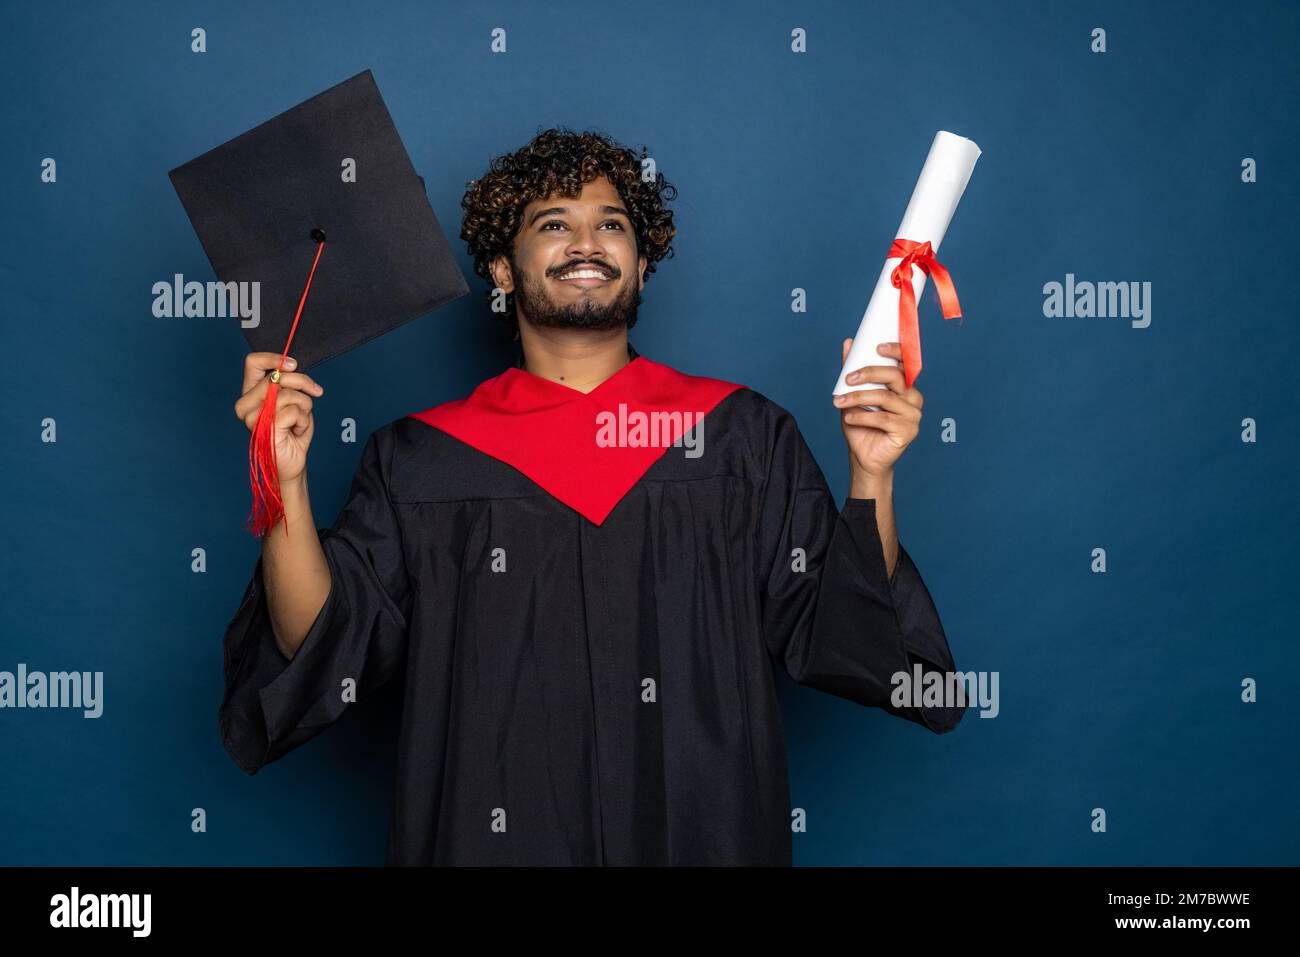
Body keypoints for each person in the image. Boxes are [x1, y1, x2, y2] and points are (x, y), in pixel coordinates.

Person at [222, 128, 965, 865]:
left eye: (611, 224)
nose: (587, 241)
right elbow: (316, 643)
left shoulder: (739, 437)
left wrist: (872, 476)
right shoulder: (419, 460)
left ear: (641, 266)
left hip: (699, 835)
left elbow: (846, 630)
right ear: (501, 271)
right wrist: (284, 481)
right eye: (553, 225)